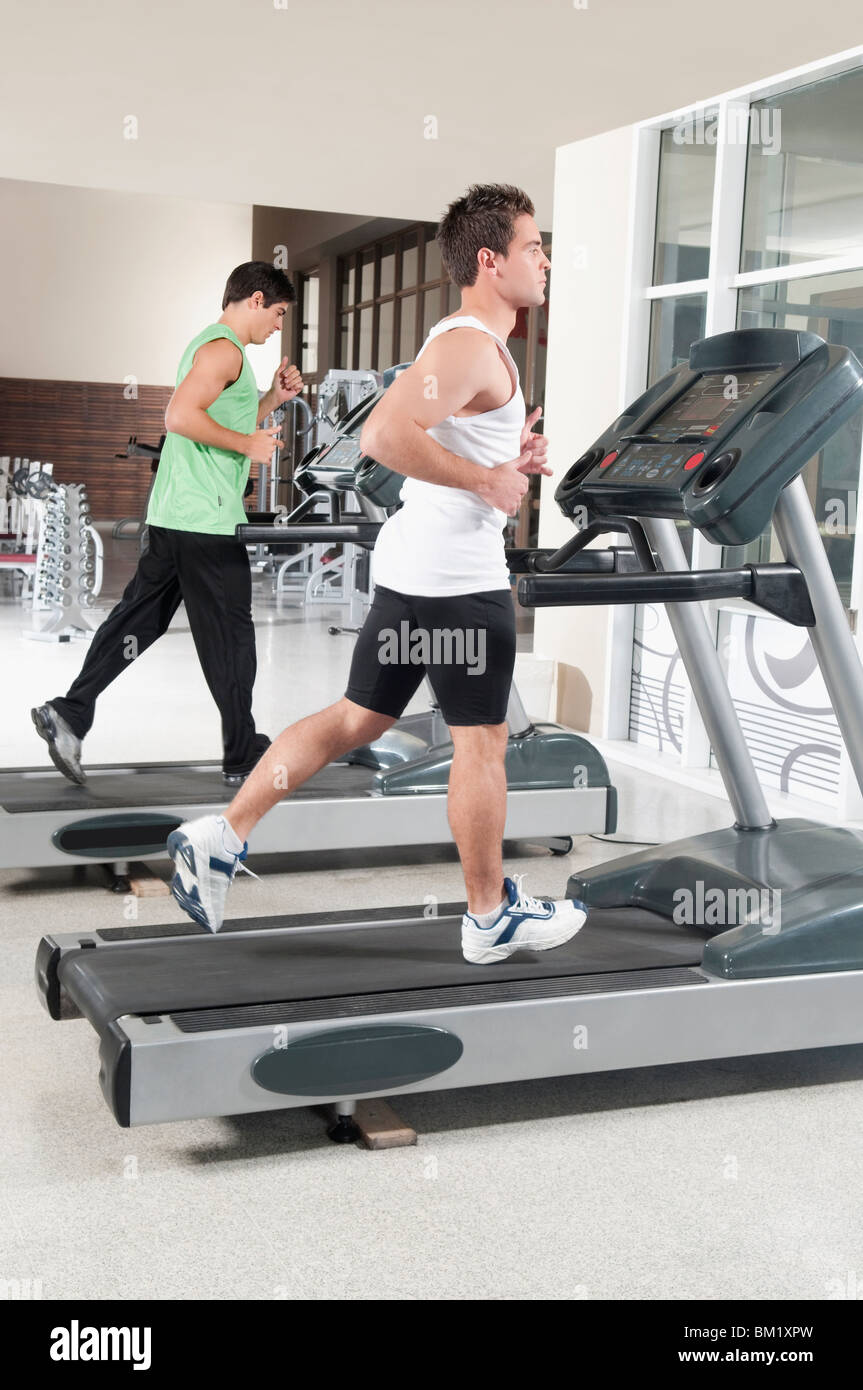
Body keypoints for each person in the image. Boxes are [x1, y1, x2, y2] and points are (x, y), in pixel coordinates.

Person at [168, 185, 587, 963]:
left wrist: (500, 463)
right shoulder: (469, 345)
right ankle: (489, 915)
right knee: (481, 744)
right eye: (533, 247)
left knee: (358, 719)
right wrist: (484, 482)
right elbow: (386, 436)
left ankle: (220, 835)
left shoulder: (468, 346)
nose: (545, 261)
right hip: (455, 582)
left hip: (416, 573)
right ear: (490, 261)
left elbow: (426, 437)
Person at [32, 261, 303, 787]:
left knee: (137, 622)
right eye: (278, 313)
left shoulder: (216, 349)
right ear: (253, 299)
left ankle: (70, 712)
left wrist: (272, 400)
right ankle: (243, 751)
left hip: (177, 515)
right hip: (204, 521)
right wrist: (249, 445)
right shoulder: (224, 349)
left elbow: (213, 419)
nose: (278, 326)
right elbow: (178, 417)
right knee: (230, 633)